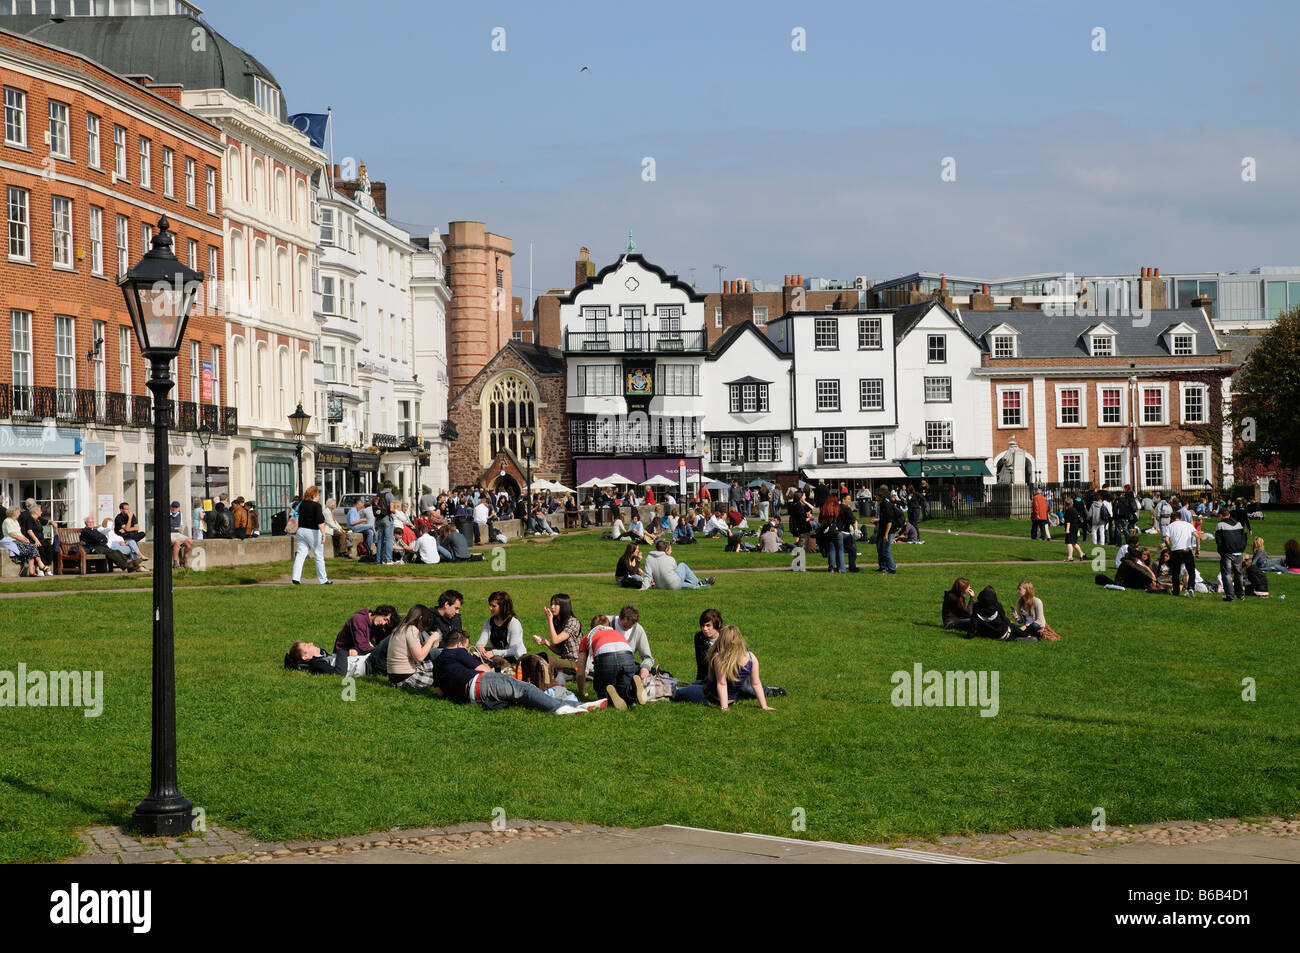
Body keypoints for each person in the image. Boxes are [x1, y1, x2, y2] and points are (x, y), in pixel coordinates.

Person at [432, 629, 589, 714]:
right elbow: (484, 670)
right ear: (460, 644)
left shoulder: (438, 662)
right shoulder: (458, 652)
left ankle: (573, 705)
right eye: (466, 646)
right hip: (481, 683)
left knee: (521, 699)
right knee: (525, 688)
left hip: (472, 699)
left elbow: (438, 691)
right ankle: (562, 707)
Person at [672, 625, 774, 711]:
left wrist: (724, 708)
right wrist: (764, 706)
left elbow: (722, 684)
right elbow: (756, 684)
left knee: (677, 692)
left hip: (711, 698)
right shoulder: (751, 657)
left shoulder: (719, 658)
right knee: (692, 687)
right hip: (731, 700)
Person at [575, 614, 647, 710]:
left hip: (605, 657)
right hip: (627, 656)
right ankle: (633, 690)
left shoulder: (588, 637)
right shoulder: (617, 633)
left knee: (603, 693)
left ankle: (608, 695)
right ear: (609, 626)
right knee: (624, 693)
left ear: (591, 628)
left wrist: (581, 692)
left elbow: (580, 672)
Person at [387, 604, 442, 690]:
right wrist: (431, 639)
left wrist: (427, 643)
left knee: (438, 665)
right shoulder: (411, 629)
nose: (424, 627)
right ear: (420, 618)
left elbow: (415, 652)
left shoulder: (400, 627)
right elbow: (419, 657)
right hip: (406, 678)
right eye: (424, 623)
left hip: (394, 677)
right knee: (442, 676)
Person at [290, 486, 331, 586]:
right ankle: (323, 579)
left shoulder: (302, 504)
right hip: (313, 532)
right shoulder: (316, 506)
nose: (319, 496)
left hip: (301, 531)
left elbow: (295, 516)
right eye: (317, 494)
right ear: (314, 495)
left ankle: (295, 578)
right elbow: (320, 521)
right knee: (319, 556)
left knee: (300, 555)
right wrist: (324, 534)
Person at [531, 592, 581, 669]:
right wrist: (546, 642)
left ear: (564, 606)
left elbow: (555, 640)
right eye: (551, 604)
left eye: (555, 604)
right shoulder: (558, 622)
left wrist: (549, 619)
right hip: (565, 660)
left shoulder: (573, 622)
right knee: (539, 659)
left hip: (576, 662)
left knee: (545, 660)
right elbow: (560, 651)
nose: (552, 607)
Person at [477, 590, 527, 664]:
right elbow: (481, 642)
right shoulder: (489, 622)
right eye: (490, 605)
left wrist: (493, 653)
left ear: (503, 607)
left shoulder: (514, 623)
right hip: (497, 657)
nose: (490, 608)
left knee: (496, 659)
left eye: (493, 606)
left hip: (514, 659)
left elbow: (513, 650)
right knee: (476, 656)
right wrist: (480, 647)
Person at [967, 586, 1034, 641]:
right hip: (1002, 634)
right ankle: (1028, 636)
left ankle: (1026, 635)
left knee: (1012, 626)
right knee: (1012, 627)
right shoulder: (997, 605)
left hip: (988, 634)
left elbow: (973, 623)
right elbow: (1004, 619)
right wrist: (1010, 623)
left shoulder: (976, 607)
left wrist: (969, 635)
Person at [645, 538, 714, 589]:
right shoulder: (670, 559)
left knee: (681, 581)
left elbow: (647, 575)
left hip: (660, 586)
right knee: (682, 565)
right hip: (674, 584)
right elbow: (675, 574)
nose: (671, 551)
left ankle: (700, 582)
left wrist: (643, 587)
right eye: (670, 549)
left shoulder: (649, 558)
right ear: (666, 550)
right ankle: (698, 582)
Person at [1213, 506, 1247, 602]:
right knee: (1239, 573)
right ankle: (1240, 595)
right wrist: (1242, 548)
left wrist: (1221, 552)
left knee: (1227, 574)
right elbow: (1244, 538)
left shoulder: (1220, 525)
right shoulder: (1239, 524)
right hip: (1239, 551)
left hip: (1227, 552)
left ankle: (1230, 596)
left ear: (1221, 515)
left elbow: (1218, 541)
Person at [334, 605, 398, 655]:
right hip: (345, 652)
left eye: (386, 623)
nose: (383, 623)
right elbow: (362, 646)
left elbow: (382, 641)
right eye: (385, 619)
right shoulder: (358, 619)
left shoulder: (376, 625)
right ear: (380, 612)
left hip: (359, 652)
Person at [285, 641, 372, 677]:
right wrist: (342, 651)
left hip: (368, 658)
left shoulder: (325, 657)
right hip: (368, 663)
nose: (311, 643)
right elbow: (339, 673)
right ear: (305, 657)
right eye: (306, 646)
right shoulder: (317, 664)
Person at [4, 506, 49, 576]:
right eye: (18, 512)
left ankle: (32, 571)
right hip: (11, 541)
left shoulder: (15, 521)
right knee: (32, 547)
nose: (19, 514)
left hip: (18, 540)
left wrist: (25, 538)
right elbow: (13, 534)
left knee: (32, 547)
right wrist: (23, 540)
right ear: (14, 513)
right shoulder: (7, 521)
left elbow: (19, 533)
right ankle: (40, 565)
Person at [1165, 509, 1198, 596]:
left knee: (1175, 572)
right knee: (1191, 571)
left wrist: (1169, 549)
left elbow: (1166, 539)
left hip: (1176, 551)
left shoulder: (1170, 526)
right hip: (1187, 550)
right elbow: (1197, 536)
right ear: (1180, 518)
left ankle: (1176, 591)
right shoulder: (1188, 524)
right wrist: (1198, 549)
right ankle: (1191, 587)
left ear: (1172, 519)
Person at [873, 486, 897, 574]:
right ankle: (883, 567)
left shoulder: (887, 505)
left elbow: (889, 521)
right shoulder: (881, 504)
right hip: (881, 529)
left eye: (876, 495)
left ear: (880, 496)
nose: (874, 496)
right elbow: (883, 519)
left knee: (886, 550)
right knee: (879, 548)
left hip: (888, 531)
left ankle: (892, 568)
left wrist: (886, 534)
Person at [168, 501, 195, 568]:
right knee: (177, 542)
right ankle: (175, 562)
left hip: (177, 533)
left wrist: (181, 536)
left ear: (179, 508)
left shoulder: (180, 514)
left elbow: (180, 527)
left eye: (176, 507)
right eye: (173, 507)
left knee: (189, 541)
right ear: (170, 507)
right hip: (170, 533)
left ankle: (184, 559)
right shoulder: (168, 513)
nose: (174, 508)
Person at [374, 483, 396, 565]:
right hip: (387, 518)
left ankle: (379, 560)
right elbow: (391, 509)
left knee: (380, 540)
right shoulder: (390, 494)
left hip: (379, 518)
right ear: (390, 487)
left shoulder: (378, 494)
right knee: (388, 540)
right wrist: (395, 511)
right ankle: (388, 560)